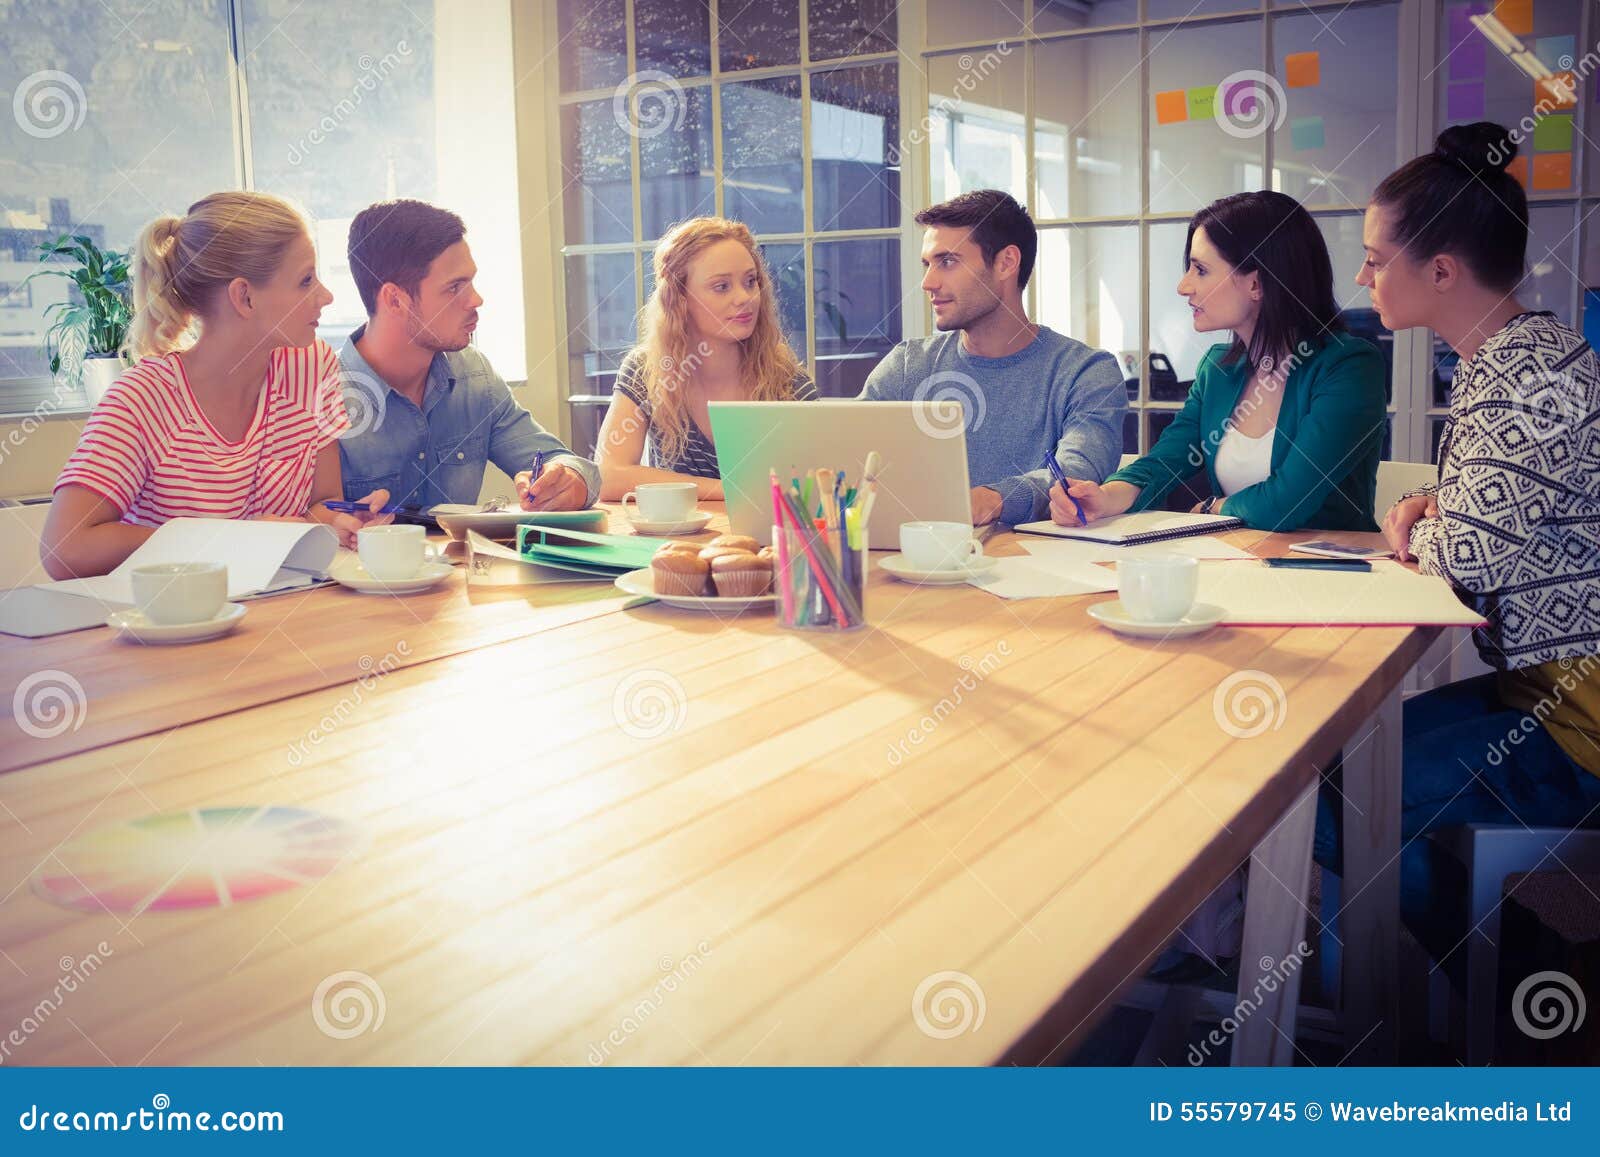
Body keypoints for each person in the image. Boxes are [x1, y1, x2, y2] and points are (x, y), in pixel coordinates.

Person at [1314, 123, 1600, 978]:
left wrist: (1425, 521)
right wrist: (1428, 509)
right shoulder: (1504, 358)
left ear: (1440, 270)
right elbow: (1470, 513)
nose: (1363, 277)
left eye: (1374, 257)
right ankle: (1502, 973)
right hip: (1541, 687)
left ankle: (1522, 985)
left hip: (1577, 720)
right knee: (1333, 774)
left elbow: (1468, 555)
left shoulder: (1529, 371)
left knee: (1335, 802)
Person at [41, 191, 388, 579]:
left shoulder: (312, 367)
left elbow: (324, 504)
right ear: (244, 297)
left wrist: (341, 522)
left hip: (280, 612)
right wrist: (231, 537)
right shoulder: (143, 397)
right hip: (177, 626)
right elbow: (64, 550)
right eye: (305, 280)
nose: (325, 295)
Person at [1050, 190, 1387, 532]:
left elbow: (1288, 501)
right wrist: (1104, 497)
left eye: (1200, 270)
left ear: (1255, 283)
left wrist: (1214, 506)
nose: (1184, 287)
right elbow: (1166, 460)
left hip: (1328, 574)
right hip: (1235, 565)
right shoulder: (1218, 370)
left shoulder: (1349, 368)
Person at [858, 189, 1125, 527]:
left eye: (948, 262)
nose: (928, 282)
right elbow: (852, 458)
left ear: (1006, 263)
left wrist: (992, 499)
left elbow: (1077, 474)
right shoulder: (907, 366)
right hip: (917, 565)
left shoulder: (1086, 373)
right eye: (927, 265)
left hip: (1036, 570)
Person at [338, 199, 596, 512]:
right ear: (395, 300)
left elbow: (565, 463)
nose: (476, 299)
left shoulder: (474, 375)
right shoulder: (322, 395)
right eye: (454, 287)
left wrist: (569, 480)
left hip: (462, 563)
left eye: (471, 282)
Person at [595, 217, 814, 501]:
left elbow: (821, 482)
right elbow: (608, 476)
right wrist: (729, 491)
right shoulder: (646, 370)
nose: (745, 297)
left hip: (762, 542)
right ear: (679, 299)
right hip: (680, 540)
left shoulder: (787, 379)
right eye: (722, 286)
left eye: (750, 281)